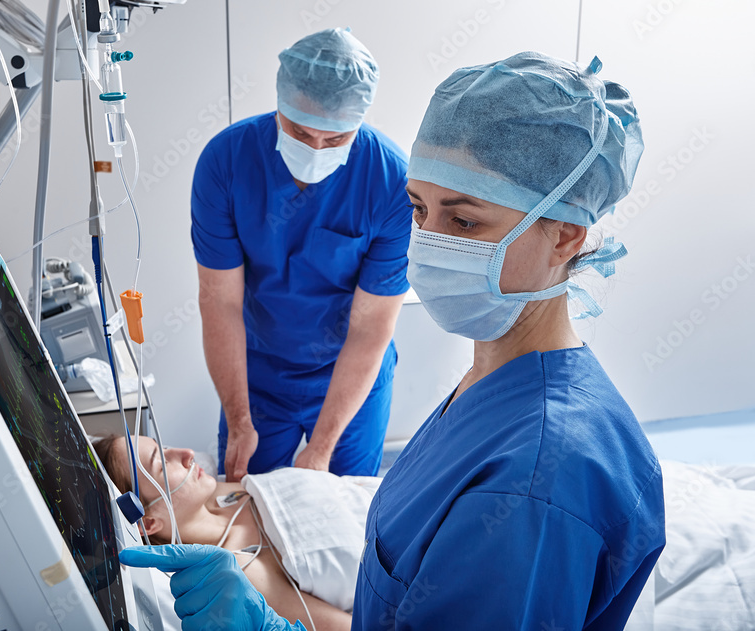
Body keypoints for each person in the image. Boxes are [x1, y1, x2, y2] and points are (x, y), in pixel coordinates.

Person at [121, 52, 666, 630]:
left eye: (464, 222)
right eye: (418, 210)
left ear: (566, 237)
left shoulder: (534, 480)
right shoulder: (493, 383)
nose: (426, 243)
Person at [192, 28, 410, 481]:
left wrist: (322, 446)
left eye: (334, 140)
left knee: (346, 505)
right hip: (257, 375)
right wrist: (239, 419)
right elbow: (221, 303)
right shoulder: (226, 162)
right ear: (280, 107)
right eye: (299, 132)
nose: (314, 150)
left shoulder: (391, 183)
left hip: (349, 374)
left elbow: (371, 326)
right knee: (245, 498)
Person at [94, 435, 353, 630]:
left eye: (165, 447)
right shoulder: (240, 571)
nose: (187, 453)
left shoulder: (219, 491)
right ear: (148, 522)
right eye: (161, 462)